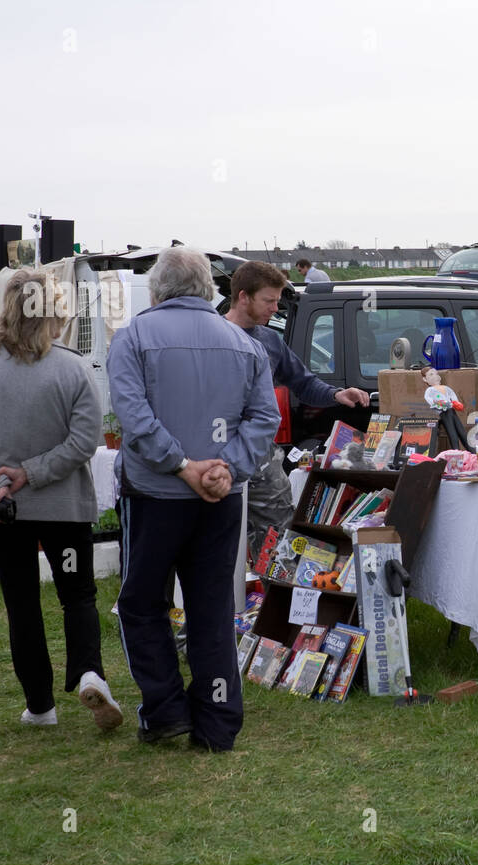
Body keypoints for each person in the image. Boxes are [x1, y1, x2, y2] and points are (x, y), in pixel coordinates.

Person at [107, 247, 281, 751]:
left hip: (156, 494)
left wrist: (182, 466)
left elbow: (134, 419)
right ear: (210, 288)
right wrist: (228, 467)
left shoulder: (134, 337)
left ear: (157, 288)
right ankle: (217, 723)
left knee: (142, 605)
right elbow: (264, 419)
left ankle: (164, 711)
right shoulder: (244, 344)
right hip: (220, 498)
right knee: (210, 609)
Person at [0, 269, 123, 730]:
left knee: (21, 601)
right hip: (62, 509)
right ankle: (89, 671)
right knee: (77, 594)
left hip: (0, 509)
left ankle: (40, 706)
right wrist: (33, 473)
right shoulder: (74, 369)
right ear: (56, 312)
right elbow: (84, 440)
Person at [224, 261, 369, 536]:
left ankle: (270, 580)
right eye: (269, 300)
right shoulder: (211, 336)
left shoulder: (270, 340)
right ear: (243, 297)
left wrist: (336, 394)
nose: (275, 309)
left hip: (261, 458)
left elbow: (303, 382)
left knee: (277, 535)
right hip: (216, 452)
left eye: (277, 301)